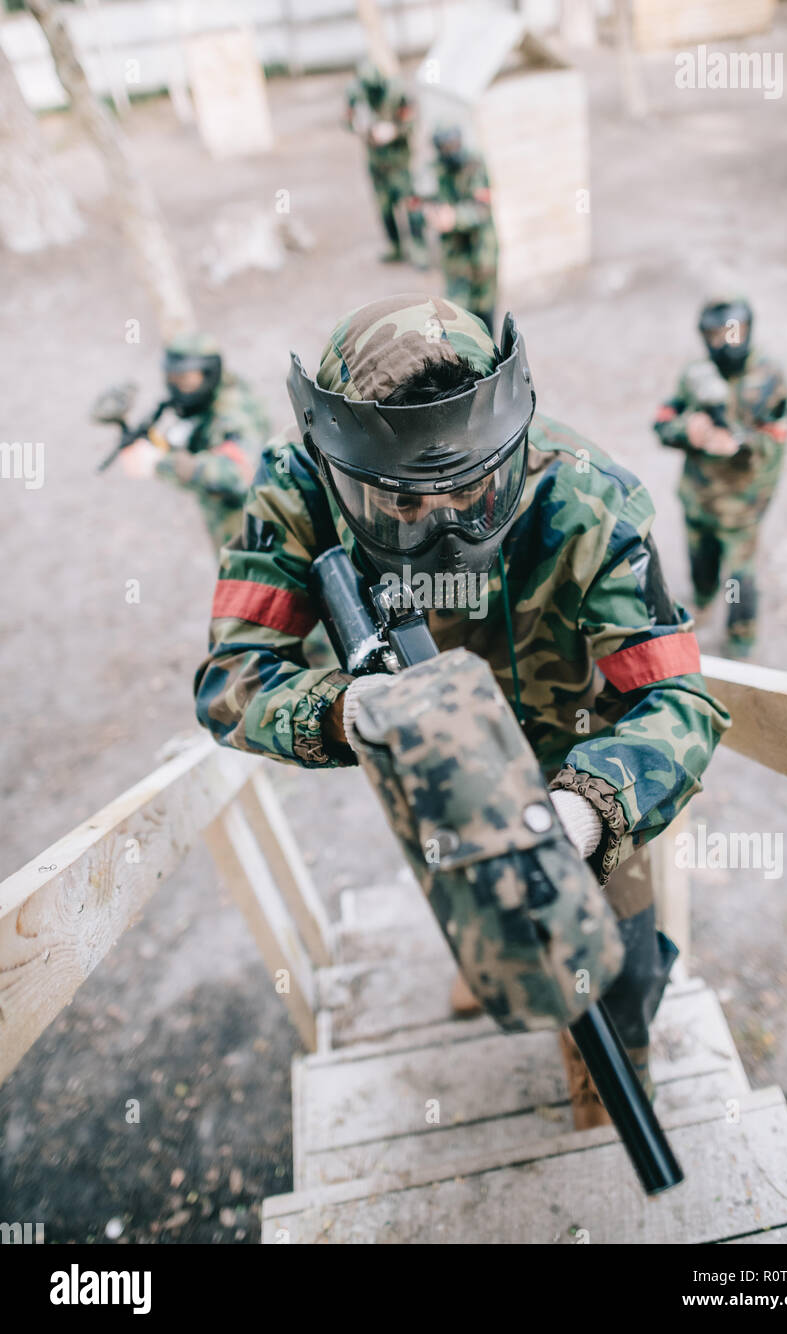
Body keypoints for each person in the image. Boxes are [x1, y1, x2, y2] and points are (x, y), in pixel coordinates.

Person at [194, 293, 730, 1117]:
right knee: (475, 895)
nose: (445, 527)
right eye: (403, 504)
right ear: (337, 465)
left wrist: (589, 811)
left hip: (574, 751)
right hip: (430, 757)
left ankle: (600, 1110)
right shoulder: (298, 492)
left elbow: (673, 696)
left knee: (617, 974)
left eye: (473, 490)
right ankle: (479, 966)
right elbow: (232, 678)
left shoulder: (582, 495)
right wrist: (343, 712)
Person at [654, 295, 787, 657]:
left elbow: (777, 438)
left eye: (734, 332)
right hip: (698, 500)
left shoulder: (769, 377)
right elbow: (662, 422)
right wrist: (689, 430)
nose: (727, 342)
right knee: (701, 565)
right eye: (716, 335)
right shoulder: (696, 375)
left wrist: (740, 443)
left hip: (742, 508)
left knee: (741, 582)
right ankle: (703, 603)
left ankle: (740, 645)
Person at [119, 331, 270, 554]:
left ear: (210, 372)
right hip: (232, 535)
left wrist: (159, 464)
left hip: (257, 543)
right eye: (173, 378)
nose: (178, 387)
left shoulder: (233, 412)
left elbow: (237, 473)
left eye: (187, 379)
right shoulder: (209, 398)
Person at [344, 61, 427, 266]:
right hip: (376, 160)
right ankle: (395, 246)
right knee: (384, 206)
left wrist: (394, 131)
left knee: (411, 202)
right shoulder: (356, 93)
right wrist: (357, 126)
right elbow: (347, 119)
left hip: (399, 160)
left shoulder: (397, 92)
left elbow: (412, 119)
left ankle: (419, 248)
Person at [426, 126, 498, 336]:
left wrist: (454, 218)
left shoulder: (475, 163)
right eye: (446, 147)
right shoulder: (434, 170)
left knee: (485, 312)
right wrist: (430, 213)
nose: (451, 151)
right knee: (456, 317)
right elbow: (419, 201)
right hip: (455, 256)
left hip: (482, 251)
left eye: (454, 144)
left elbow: (482, 208)